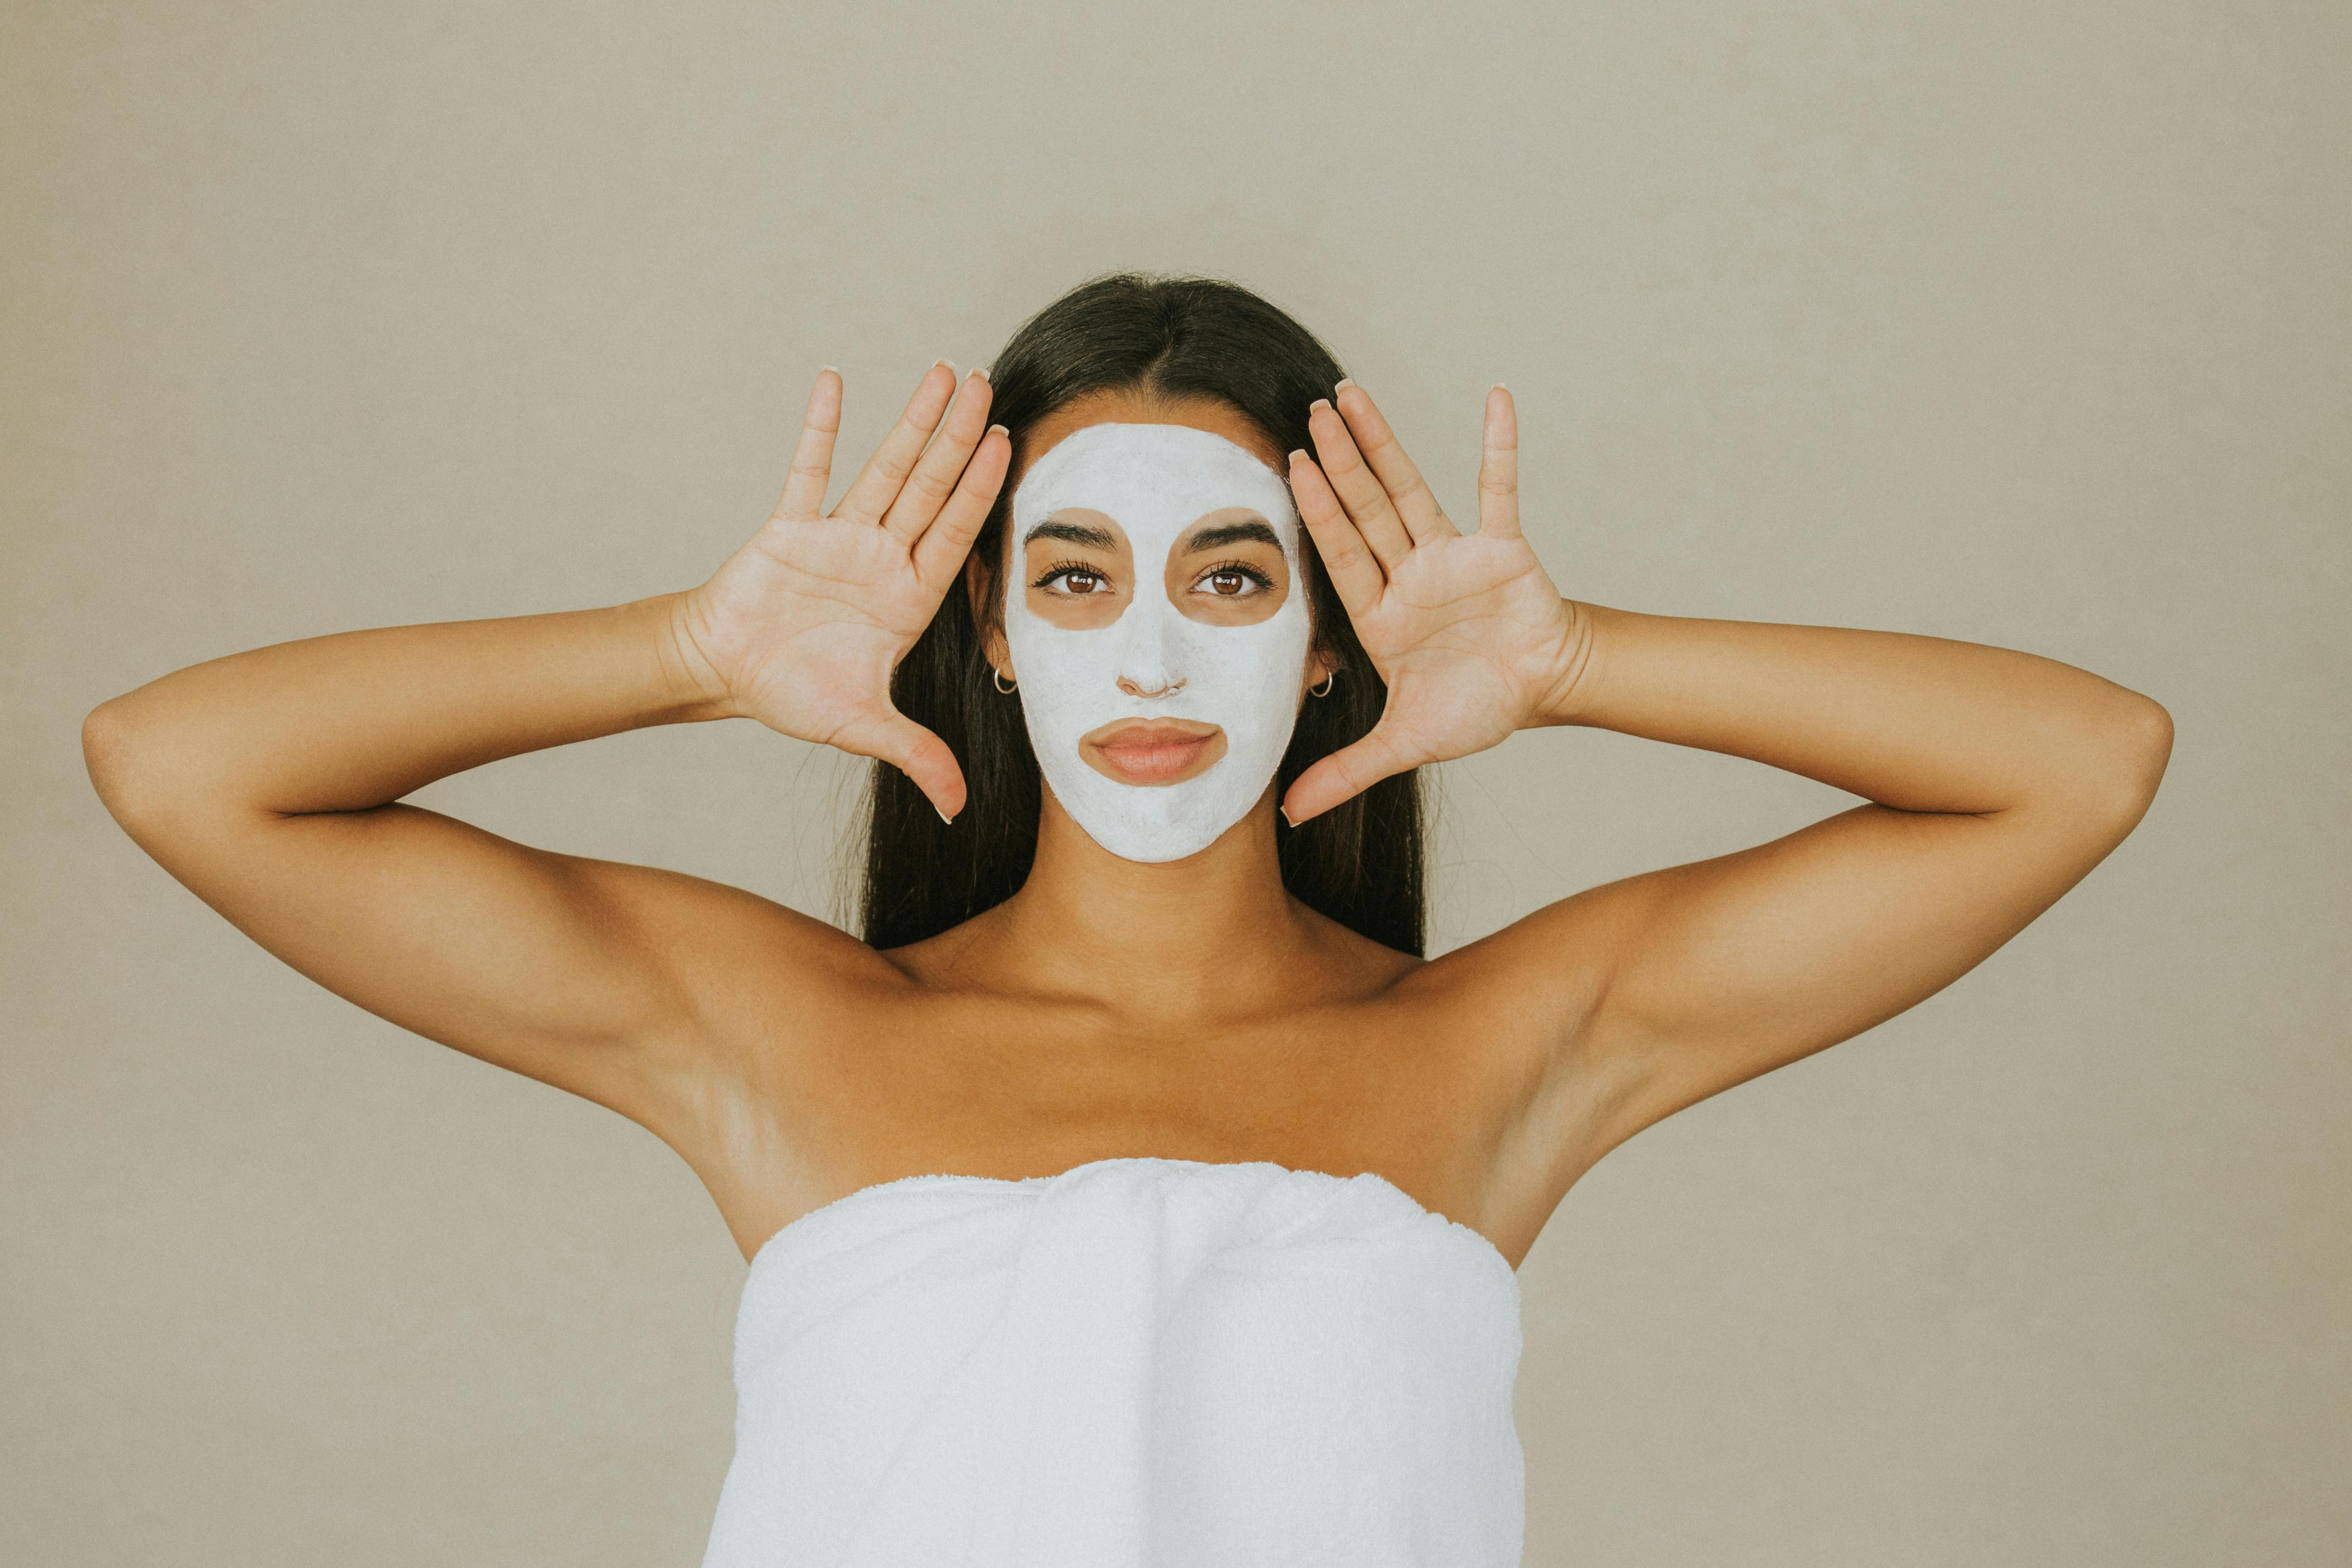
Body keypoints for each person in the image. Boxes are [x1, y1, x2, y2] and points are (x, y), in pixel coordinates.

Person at [80, 273, 2173, 1565]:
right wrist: (684, 647)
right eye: (1075, 578)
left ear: (1337, 638)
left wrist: (1578, 657)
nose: (1153, 658)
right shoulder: (783, 1028)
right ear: (985, 629)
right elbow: (182, 766)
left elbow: (2078, 761)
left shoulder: (1499, 1047)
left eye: (1236, 579)